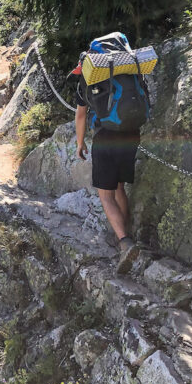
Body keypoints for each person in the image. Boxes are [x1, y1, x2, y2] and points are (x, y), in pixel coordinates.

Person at [75, 85, 138, 256]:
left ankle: (125, 242)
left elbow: (81, 114)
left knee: (106, 196)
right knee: (119, 186)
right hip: (130, 133)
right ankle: (124, 235)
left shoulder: (90, 75)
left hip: (105, 136)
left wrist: (80, 143)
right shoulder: (124, 66)